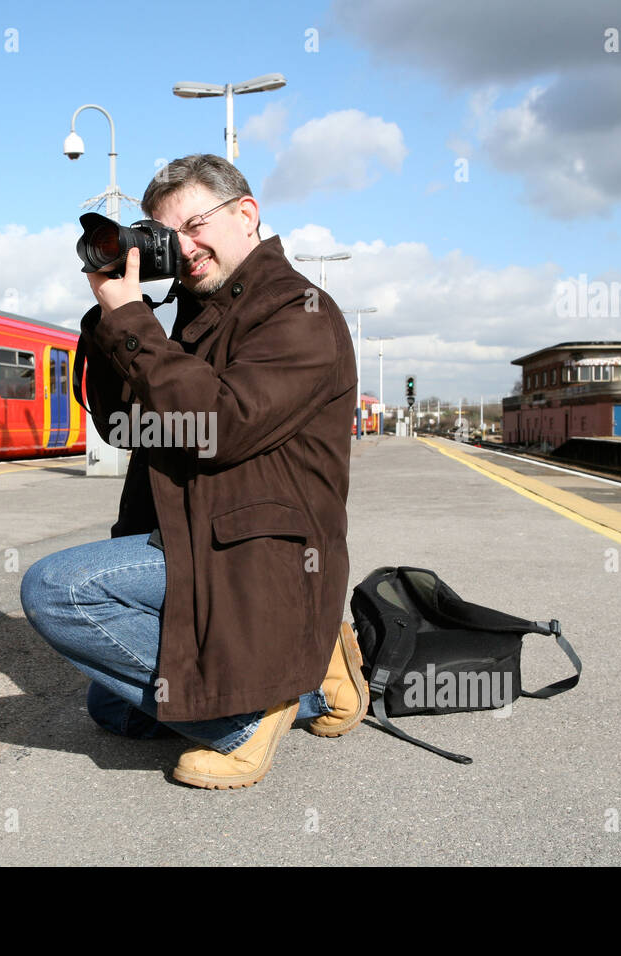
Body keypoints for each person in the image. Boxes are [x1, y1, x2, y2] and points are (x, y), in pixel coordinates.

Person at [20, 154, 365, 789]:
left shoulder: (300, 313)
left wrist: (136, 327)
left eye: (195, 224)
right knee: (114, 714)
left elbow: (216, 425)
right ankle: (311, 678)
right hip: (192, 538)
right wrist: (109, 323)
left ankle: (246, 724)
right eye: (164, 234)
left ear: (247, 213)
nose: (183, 247)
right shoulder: (200, 314)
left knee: (56, 590)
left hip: (258, 553)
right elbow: (126, 427)